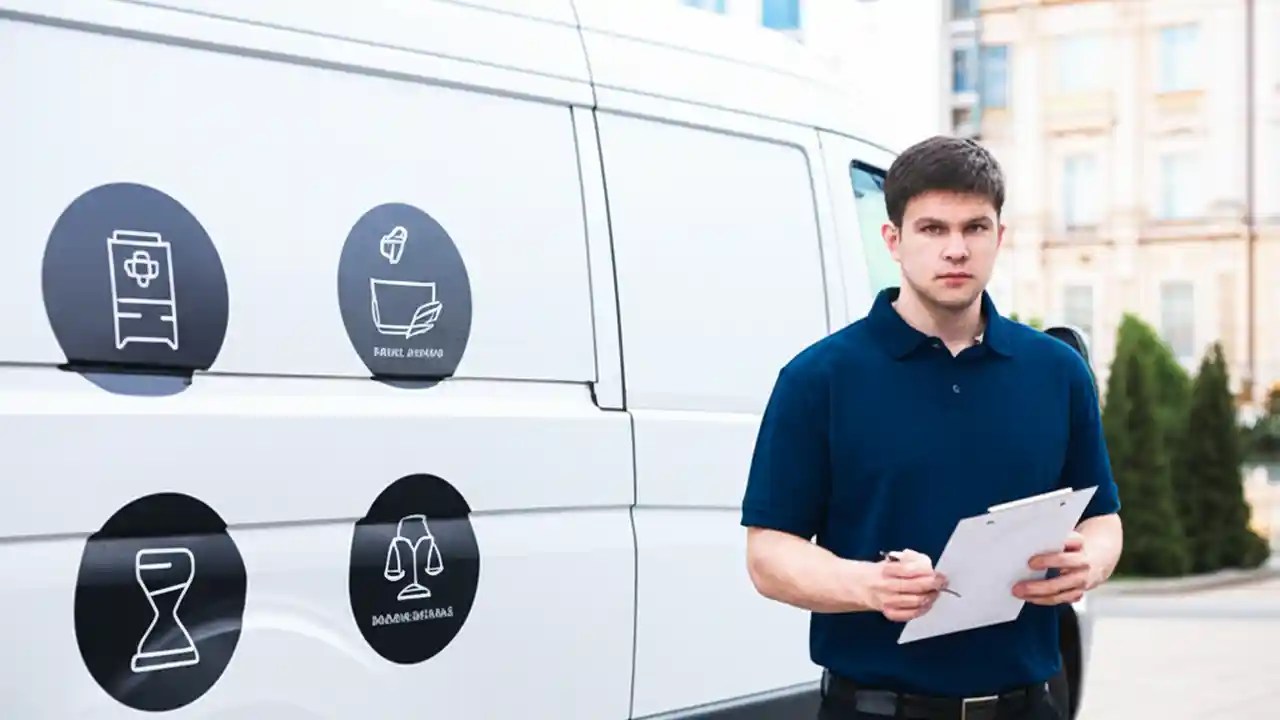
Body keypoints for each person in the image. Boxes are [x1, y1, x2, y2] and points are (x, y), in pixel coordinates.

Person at [740, 136, 1124, 720]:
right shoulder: (818, 378)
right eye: (932, 229)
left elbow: (1102, 519)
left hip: (1026, 707)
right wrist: (868, 585)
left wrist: (1090, 562)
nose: (956, 250)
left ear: (1000, 237)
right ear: (893, 240)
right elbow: (768, 554)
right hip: (875, 709)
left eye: (974, 228)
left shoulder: (1055, 372)